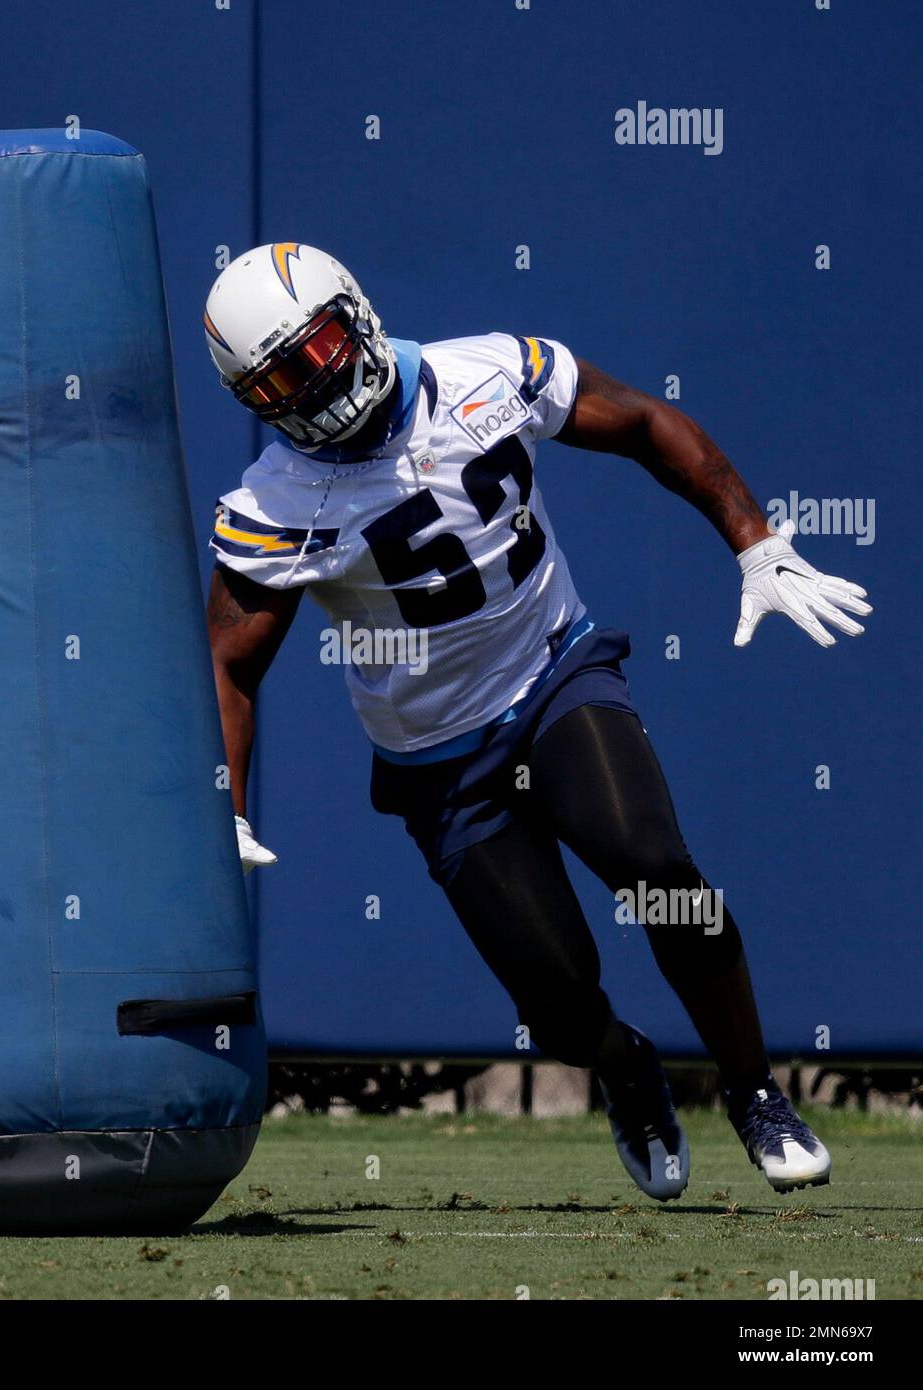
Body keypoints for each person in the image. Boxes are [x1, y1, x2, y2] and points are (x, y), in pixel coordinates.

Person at [201, 243, 870, 1200]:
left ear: (357, 314)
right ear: (254, 401)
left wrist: (753, 540)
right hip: (438, 761)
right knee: (555, 1003)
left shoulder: (491, 374)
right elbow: (230, 667)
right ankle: (622, 1067)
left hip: (554, 676)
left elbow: (642, 422)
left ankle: (756, 1092)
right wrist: (217, 804)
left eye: (319, 353)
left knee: (656, 868)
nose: (316, 388)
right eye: (281, 381)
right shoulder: (273, 502)